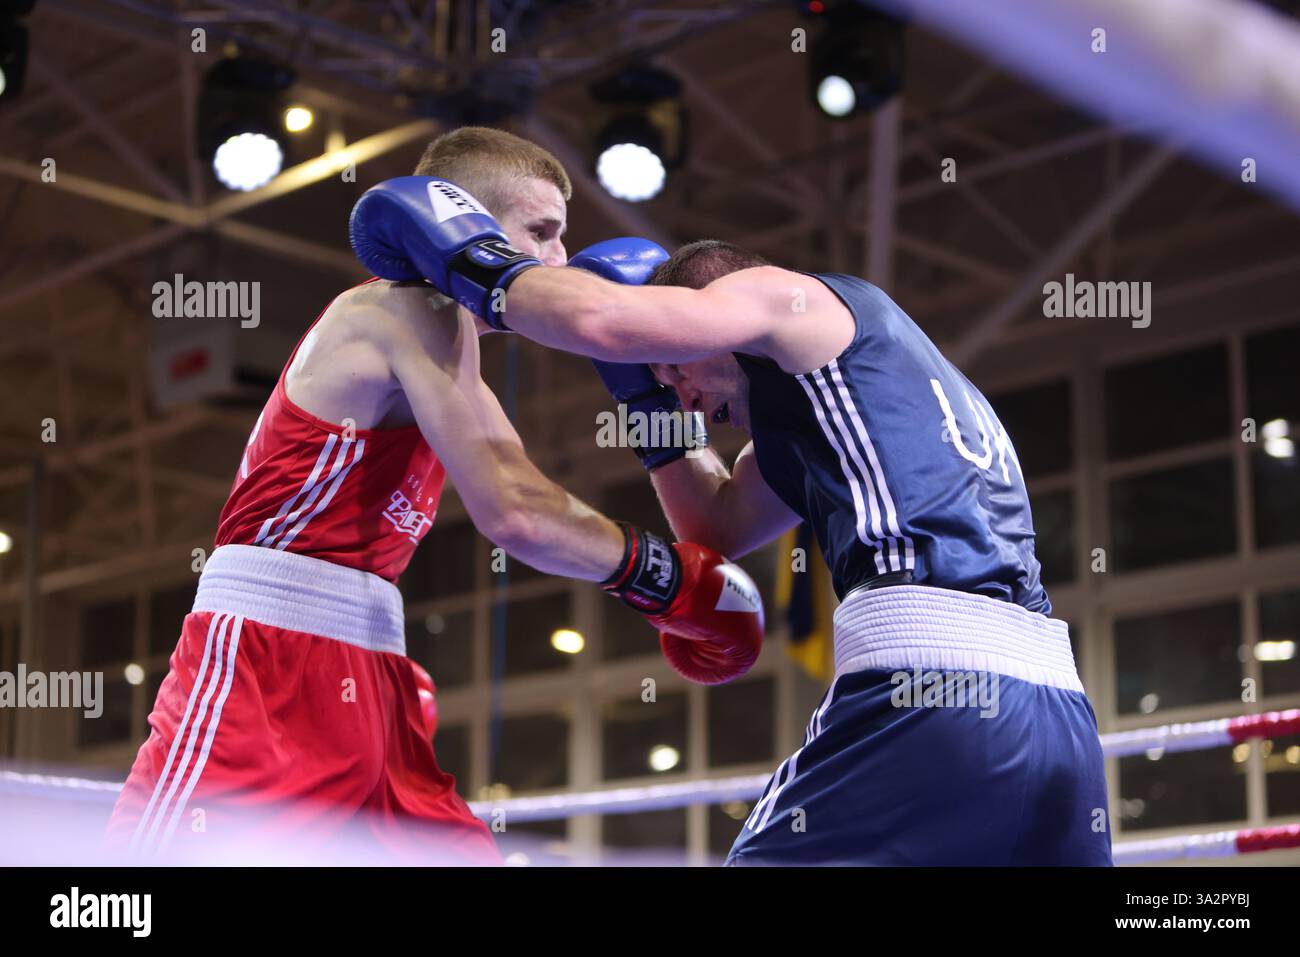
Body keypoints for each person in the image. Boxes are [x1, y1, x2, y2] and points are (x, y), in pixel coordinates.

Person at [346, 176, 1113, 865]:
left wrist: (468, 257)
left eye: (676, 367)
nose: (681, 398)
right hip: (1057, 715)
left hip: (931, 684)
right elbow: (714, 530)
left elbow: (604, 320)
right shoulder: (850, 399)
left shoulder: (791, 297)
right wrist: (642, 402)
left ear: (715, 315)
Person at [106, 129, 764, 865]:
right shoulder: (397, 311)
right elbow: (516, 508)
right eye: (540, 233)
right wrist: (668, 581)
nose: (557, 262)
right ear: (465, 222)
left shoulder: (454, 343)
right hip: (263, 662)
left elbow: (526, 494)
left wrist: (659, 414)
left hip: (373, 673)